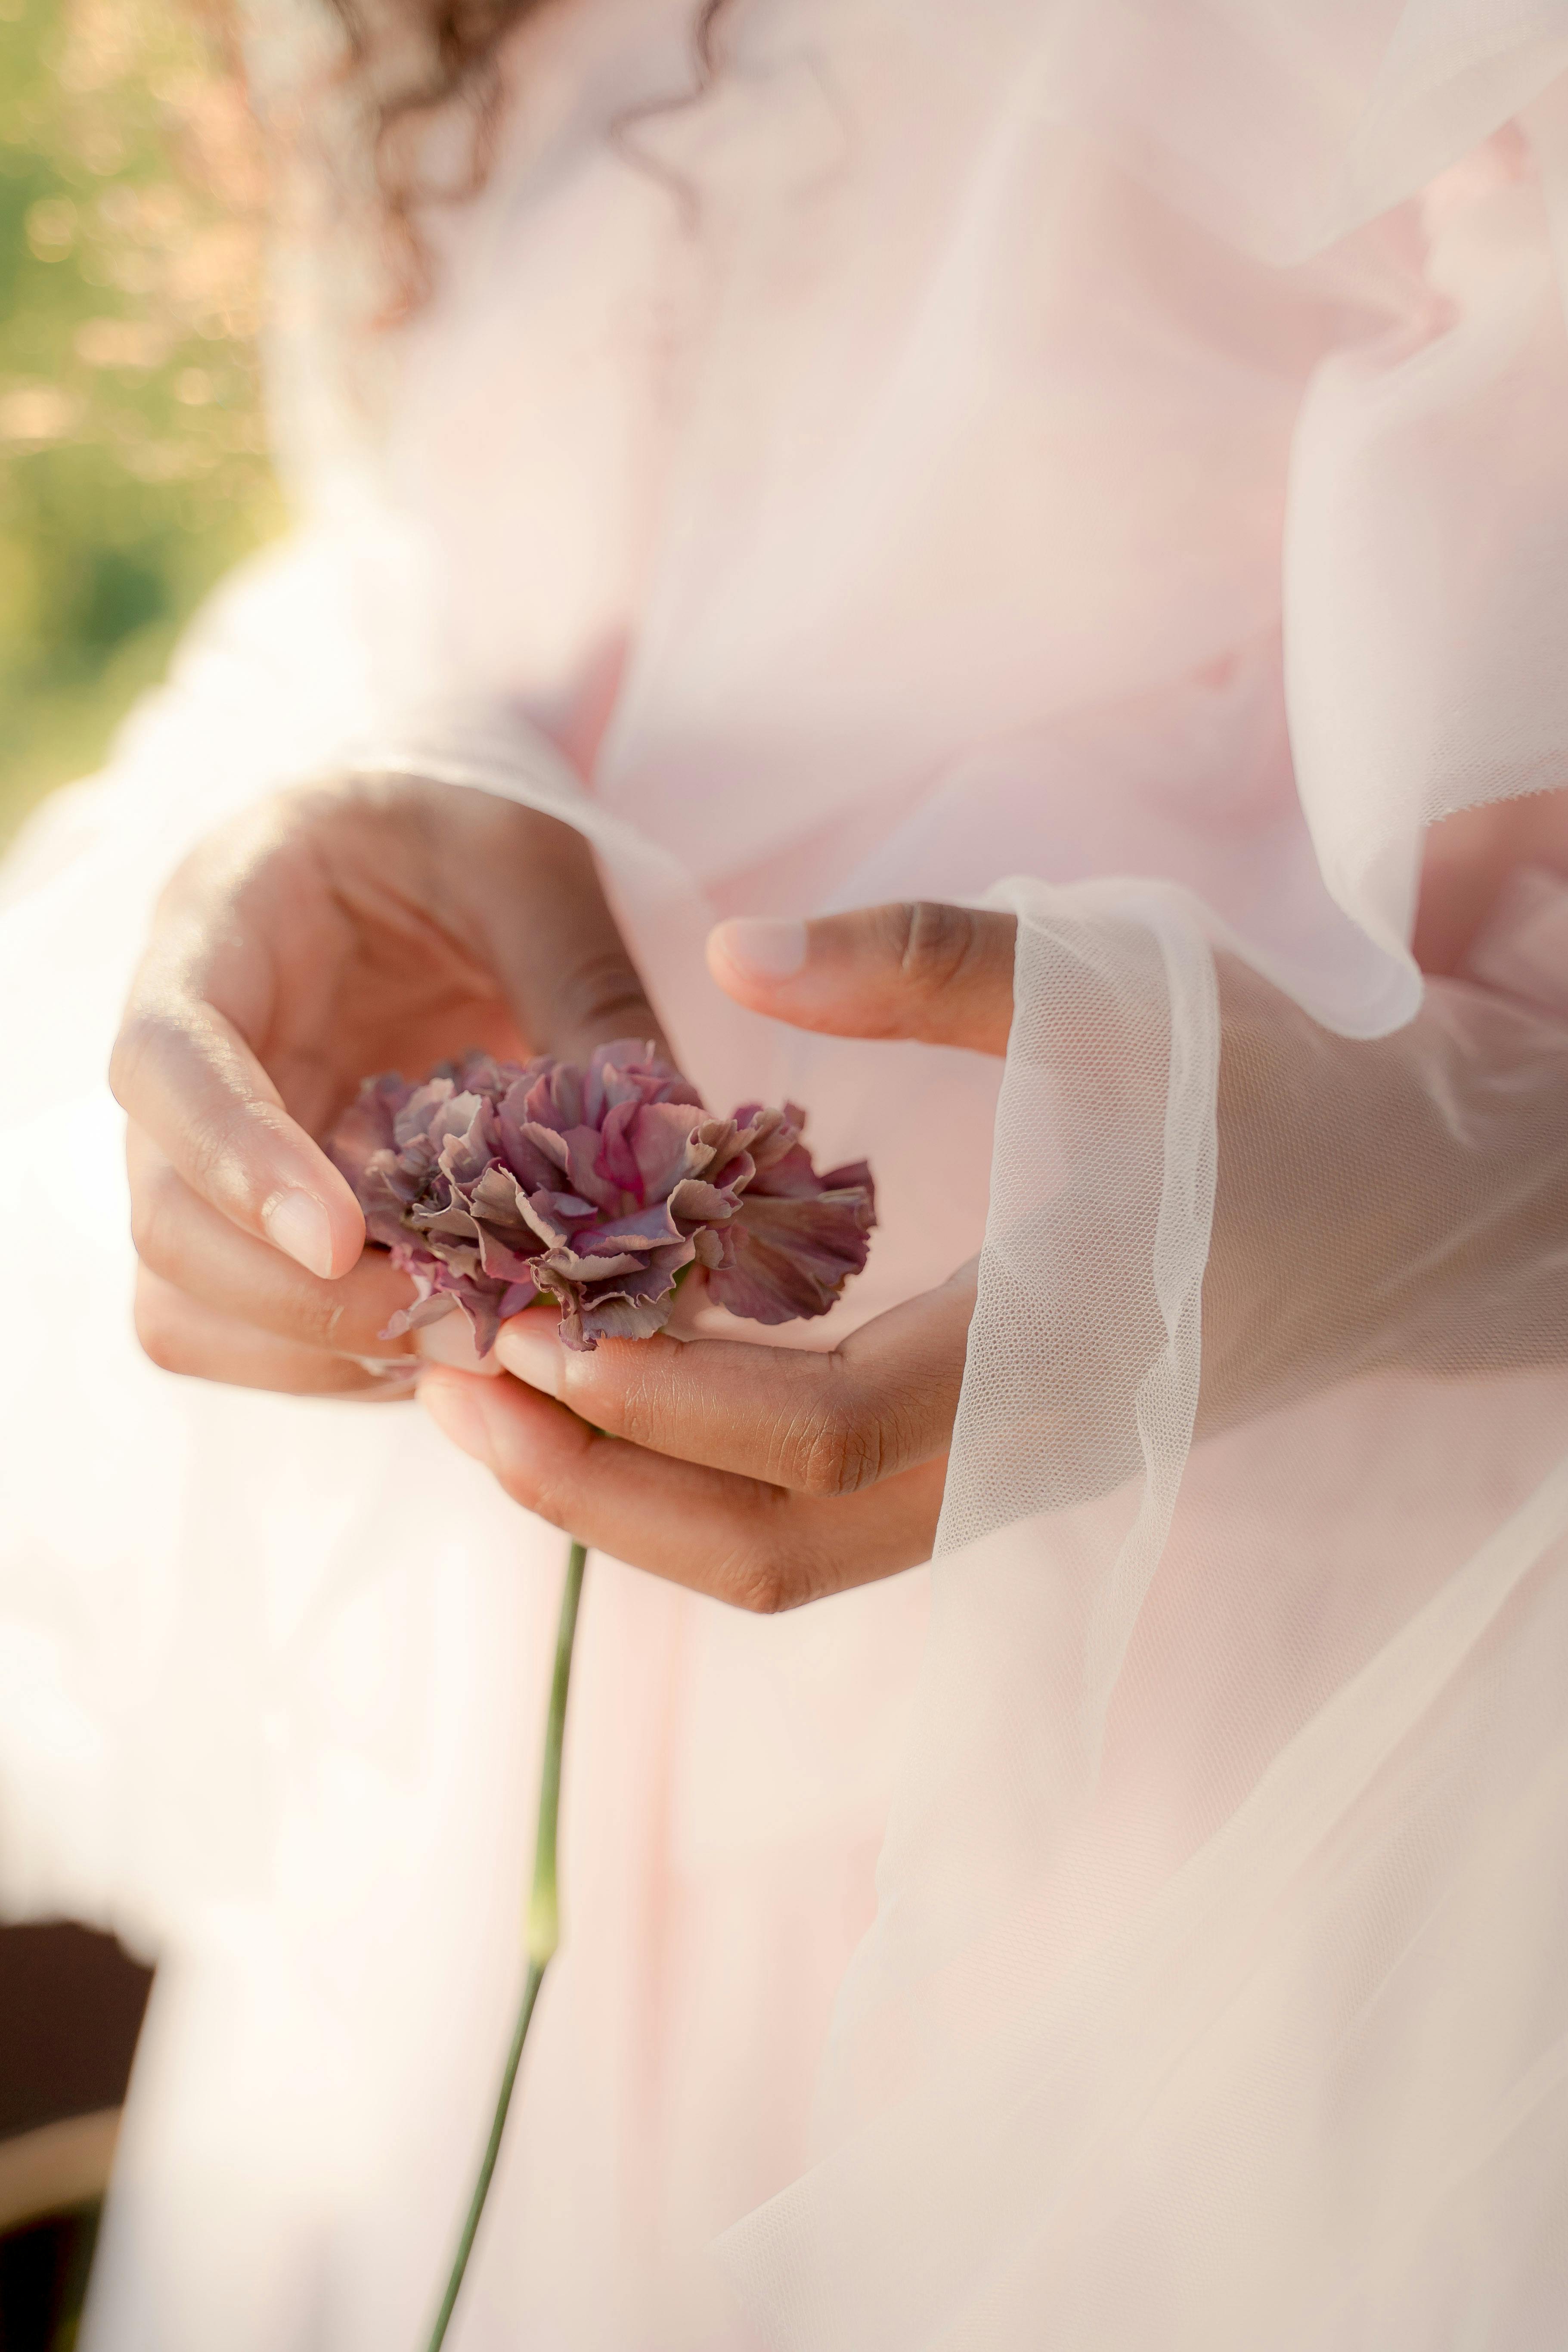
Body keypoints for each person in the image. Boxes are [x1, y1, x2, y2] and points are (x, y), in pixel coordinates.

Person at [7, 0, 1568, 2343]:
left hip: (1251, 1812)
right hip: (516, 1816)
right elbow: (421, 572)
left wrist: (1460, 1167)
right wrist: (335, 833)